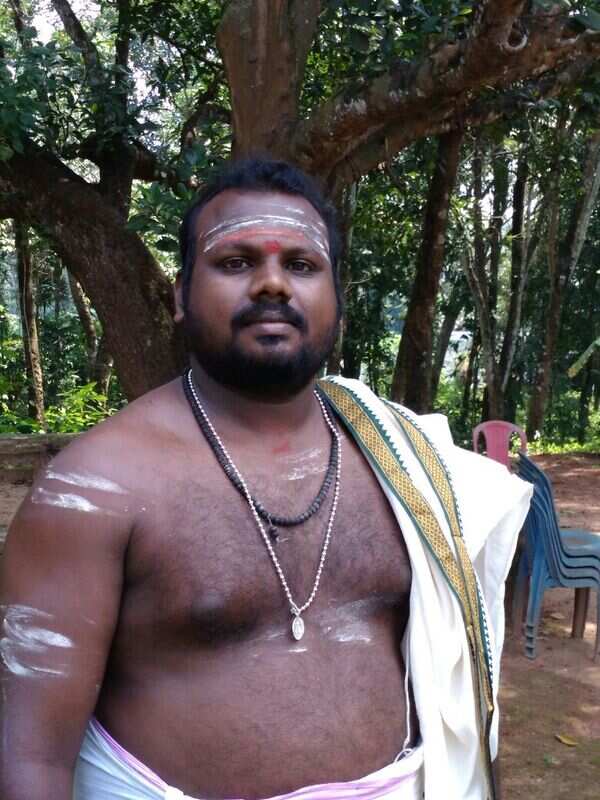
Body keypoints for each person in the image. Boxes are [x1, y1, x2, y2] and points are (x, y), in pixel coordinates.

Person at [0, 159, 531, 800]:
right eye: (236, 262)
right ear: (179, 295)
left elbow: (459, 673)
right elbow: (29, 759)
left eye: (302, 265)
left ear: (337, 297)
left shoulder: (400, 461)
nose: (273, 284)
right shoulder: (92, 489)